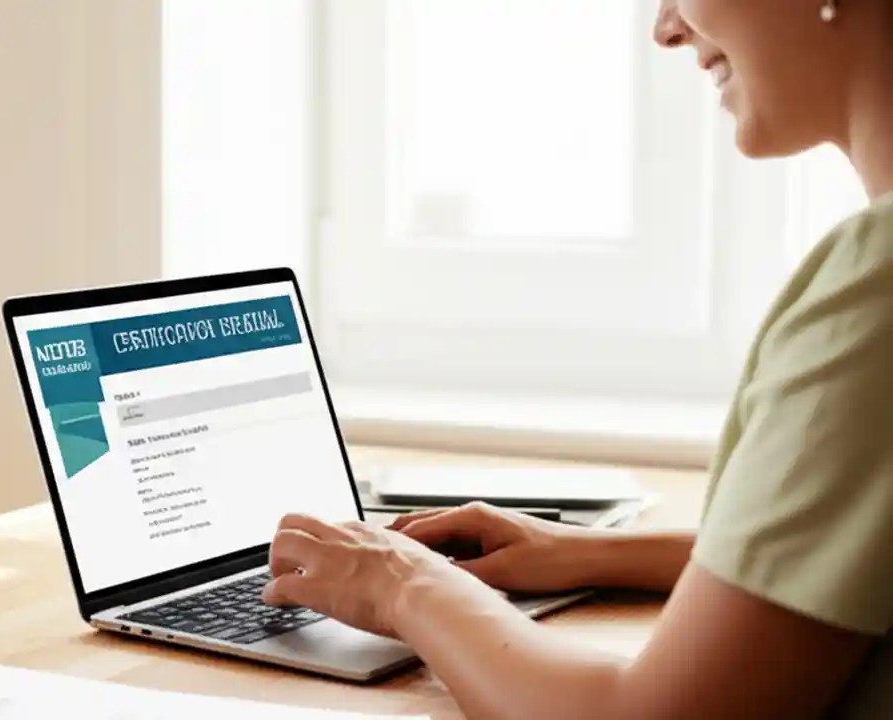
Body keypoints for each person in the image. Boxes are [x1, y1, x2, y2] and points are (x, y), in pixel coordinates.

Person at [263, 1, 893, 717]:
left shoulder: (877, 288)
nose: (666, 27)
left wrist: (401, 583)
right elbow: (844, 558)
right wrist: (588, 552)